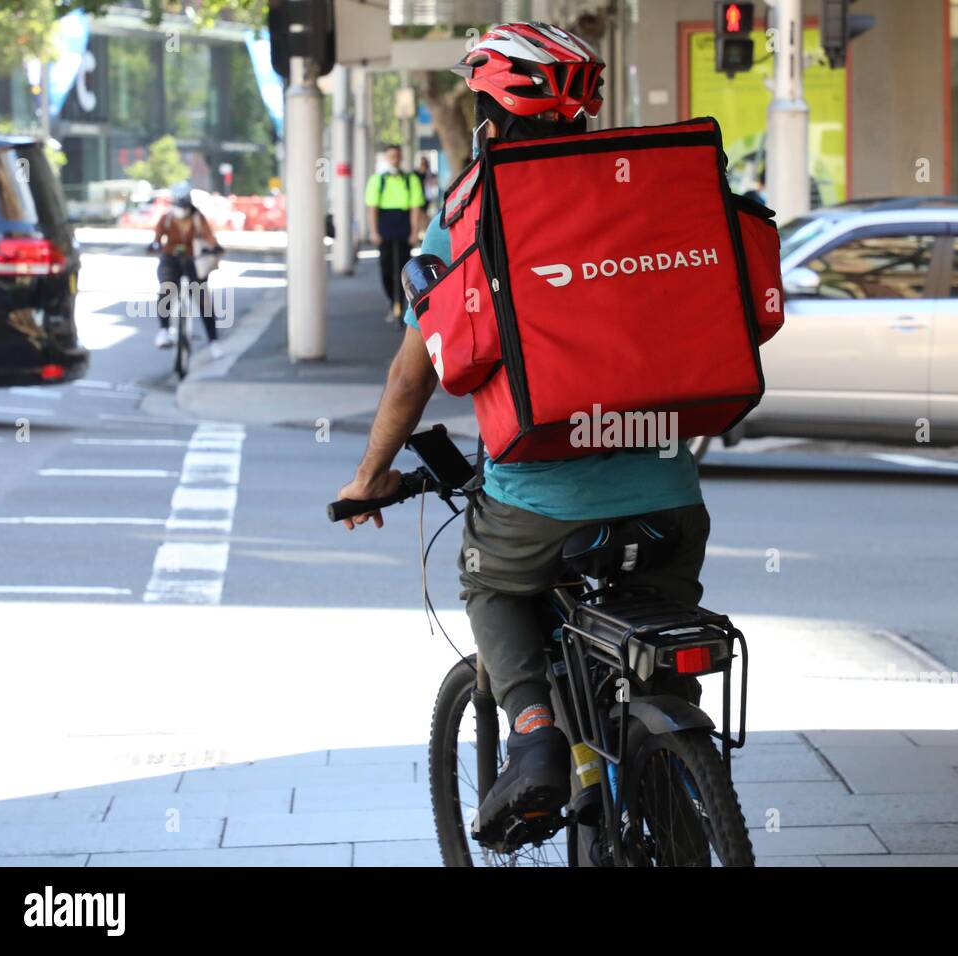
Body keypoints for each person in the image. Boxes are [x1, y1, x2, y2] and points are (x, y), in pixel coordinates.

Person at [336, 21, 709, 842]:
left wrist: (370, 476)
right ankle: (676, 766)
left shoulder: (475, 205)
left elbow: (415, 371)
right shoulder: (645, 189)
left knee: (490, 582)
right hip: (672, 499)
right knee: (662, 649)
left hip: (543, 502)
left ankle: (536, 736)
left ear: (488, 117)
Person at [152, 182, 224, 360]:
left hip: (193, 260)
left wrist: (214, 247)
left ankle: (213, 341)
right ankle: (164, 330)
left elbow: (208, 236)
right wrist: (155, 245)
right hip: (171, 259)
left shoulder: (198, 218)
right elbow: (157, 238)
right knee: (166, 290)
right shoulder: (166, 219)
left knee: (202, 298)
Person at [365, 145, 427, 323]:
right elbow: (372, 208)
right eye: (391, 156)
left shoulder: (411, 179)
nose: (394, 159)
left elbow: (415, 208)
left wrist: (415, 232)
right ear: (386, 158)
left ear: (401, 158)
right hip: (385, 224)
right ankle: (392, 300)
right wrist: (374, 231)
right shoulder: (378, 180)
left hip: (403, 223)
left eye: (397, 156)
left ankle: (401, 304)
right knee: (385, 267)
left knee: (403, 268)